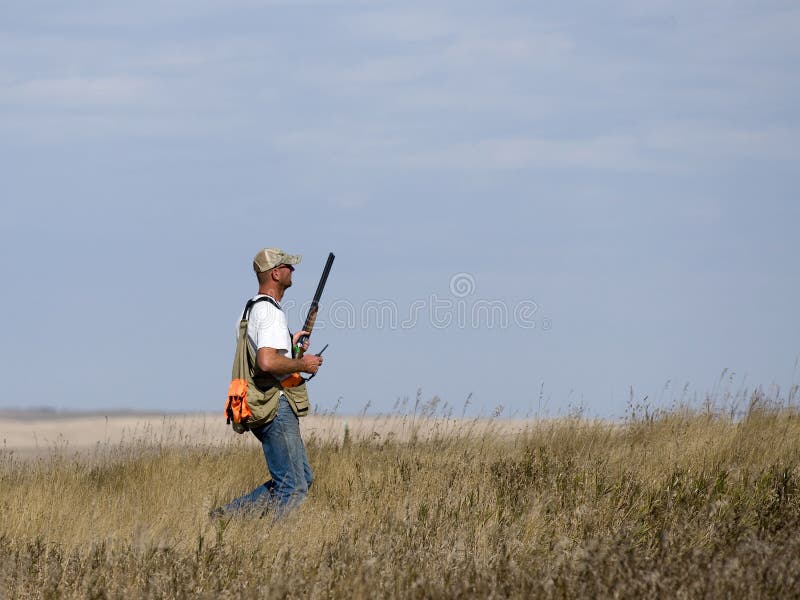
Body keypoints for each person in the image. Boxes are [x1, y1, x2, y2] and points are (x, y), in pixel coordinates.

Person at [214, 247, 323, 518]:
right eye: (288, 266)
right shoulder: (271, 313)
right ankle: (277, 548)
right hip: (274, 405)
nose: (292, 270)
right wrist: (303, 363)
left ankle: (225, 517)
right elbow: (266, 362)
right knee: (293, 488)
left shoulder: (251, 308)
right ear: (275, 273)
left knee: (302, 478)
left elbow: (266, 354)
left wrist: (290, 343)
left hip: (255, 402)